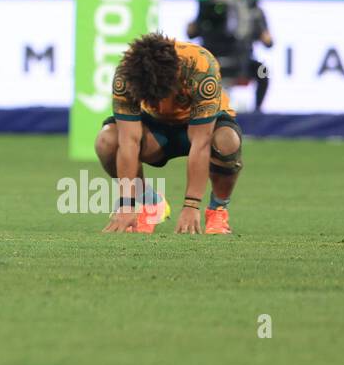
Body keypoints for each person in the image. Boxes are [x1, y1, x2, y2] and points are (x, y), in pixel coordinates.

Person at [96, 33, 244, 236]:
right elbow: (128, 140)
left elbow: (201, 141)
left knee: (227, 141)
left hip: (199, 125)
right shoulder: (128, 73)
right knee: (106, 140)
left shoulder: (200, 65)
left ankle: (217, 210)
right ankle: (150, 202)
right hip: (155, 129)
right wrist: (127, 204)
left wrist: (191, 205)